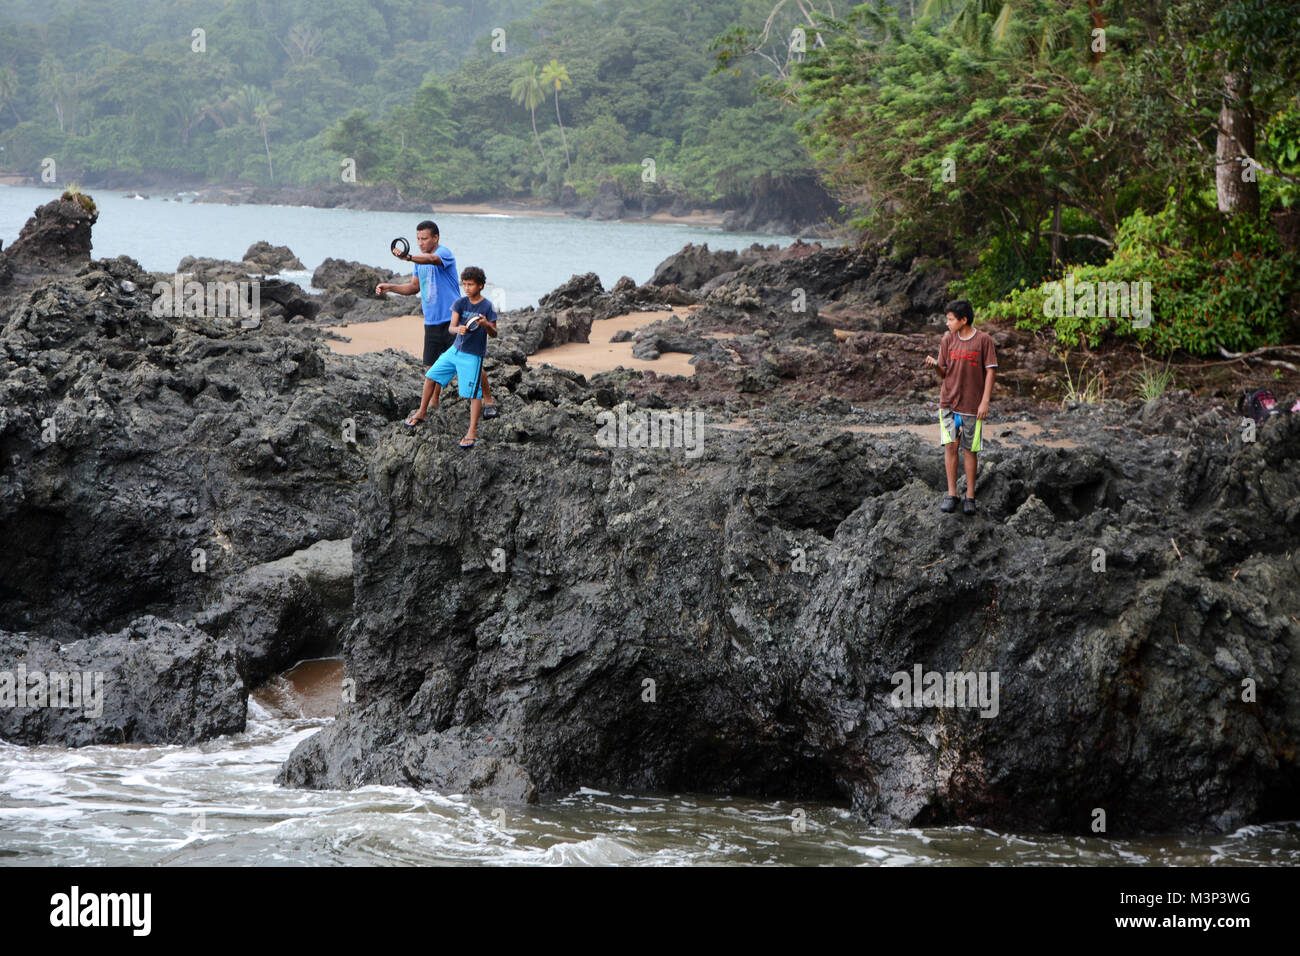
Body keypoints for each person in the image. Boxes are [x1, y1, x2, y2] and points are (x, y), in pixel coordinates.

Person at [375, 220, 499, 418]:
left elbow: (432, 259)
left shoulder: (444, 254)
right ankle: (433, 405)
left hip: (453, 319)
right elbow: (414, 287)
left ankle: (489, 400)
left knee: (470, 361)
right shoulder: (418, 262)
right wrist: (390, 287)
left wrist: (408, 257)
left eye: (424, 238)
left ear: (435, 237)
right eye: (418, 239)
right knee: (432, 366)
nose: (421, 242)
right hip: (431, 321)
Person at [404, 266, 498, 448]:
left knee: (473, 393)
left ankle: (472, 431)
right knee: (431, 376)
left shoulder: (487, 306)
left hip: (472, 355)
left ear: (480, 286)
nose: (467, 288)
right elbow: (451, 327)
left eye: (471, 284)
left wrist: (486, 324)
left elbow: (494, 333)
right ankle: (422, 412)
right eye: (465, 284)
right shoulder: (460, 303)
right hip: (454, 351)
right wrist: (458, 329)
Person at [925, 299, 997, 514]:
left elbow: (991, 372)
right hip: (948, 403)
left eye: (950, 319)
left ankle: (970, 497)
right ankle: (952, 494)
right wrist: (935, 366)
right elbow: (944, 372)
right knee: (950, 447)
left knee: (970, 450)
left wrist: (985, 401)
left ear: (963, 320)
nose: (947, 323)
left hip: (972, 405)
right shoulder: (947, 341)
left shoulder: (984, 341)